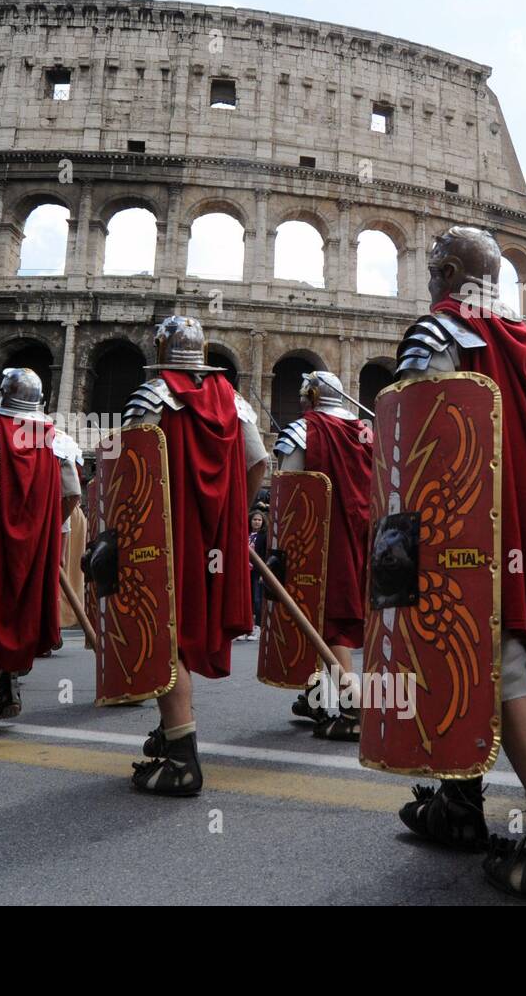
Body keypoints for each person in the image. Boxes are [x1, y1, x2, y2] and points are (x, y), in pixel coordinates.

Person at [392, 225, 526, 901]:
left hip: (462, 533)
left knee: (494, 663)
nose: (429, 282)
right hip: (518, 530)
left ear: (447, 273)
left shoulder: (438, 334)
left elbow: (417, 448)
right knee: (473, 659)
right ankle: (459, 804)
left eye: (433, 270)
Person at [119, 316, 270, 794]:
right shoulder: (236, 404)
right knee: (185, 628)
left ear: (162, 349)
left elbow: (130, 476)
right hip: (216, 543)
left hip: (161, 540)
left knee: (167, 635)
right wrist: (234, 517)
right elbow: (259, 462)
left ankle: (183, 758)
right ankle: (169, 733)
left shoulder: (151, 398)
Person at [0, 367, 81, 743]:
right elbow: (72, 495)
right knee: (18, 615)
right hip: (35, 549)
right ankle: (9, 682)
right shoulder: (57, 442)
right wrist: (45, 529)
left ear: (3, 396)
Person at [273, 370, 373, 741]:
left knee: (327, 620)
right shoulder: (366, 433)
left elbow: (287, 495)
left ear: (312, 398)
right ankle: (317, 696)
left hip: (318, 543)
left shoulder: (303, 431)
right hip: (364, 538)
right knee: (323, 618)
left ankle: (352, 707)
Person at [247, 510, 268, 638]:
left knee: (257, 599)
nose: (256, 522)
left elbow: (265, 554)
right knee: (247, 600)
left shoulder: (264, 536)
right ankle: (247, 627)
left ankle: (258, 627)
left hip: (257, 571)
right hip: (245, 571)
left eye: (259, 520)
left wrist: (263, 573)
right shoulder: (246, 534)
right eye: (254, 519)